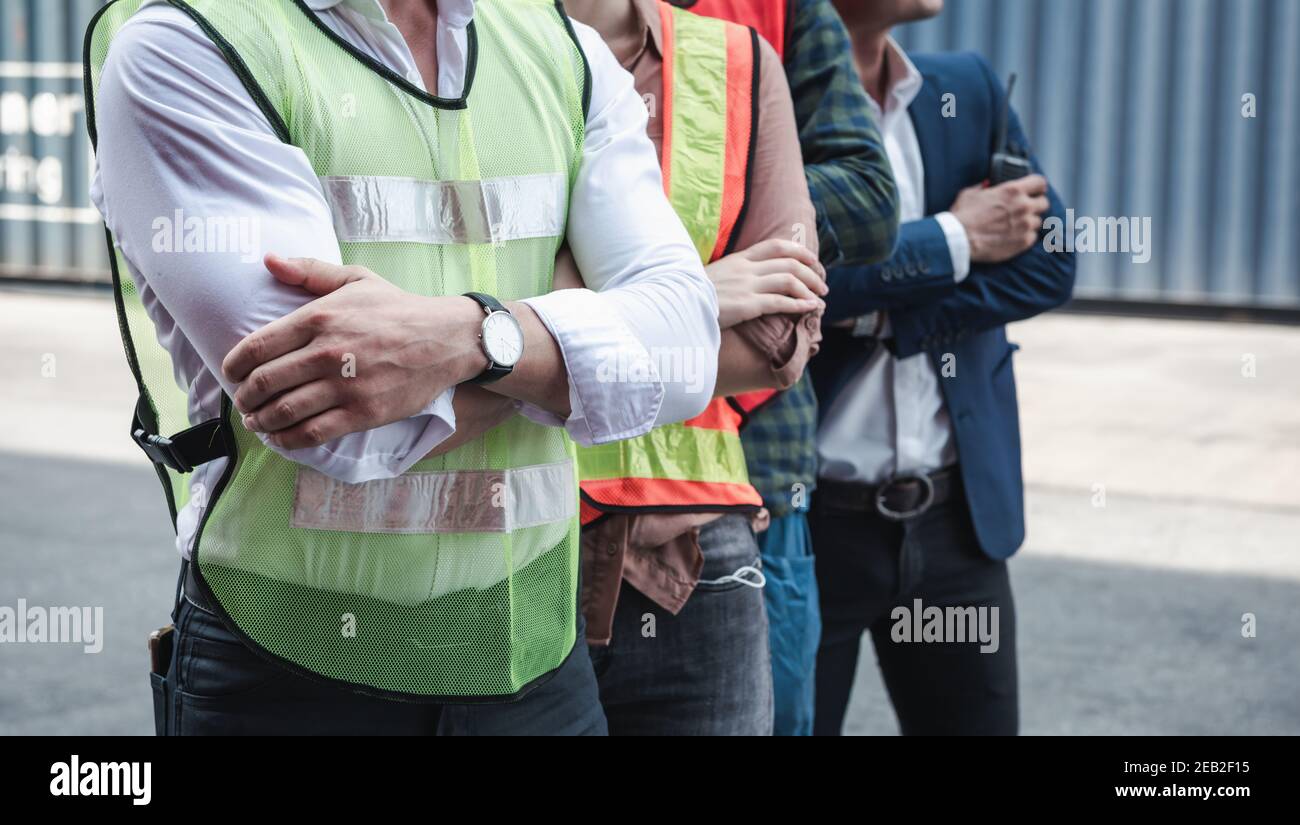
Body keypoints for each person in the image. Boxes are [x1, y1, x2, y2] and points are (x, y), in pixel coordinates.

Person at [87, 0, 723, 735]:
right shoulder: (191, 44)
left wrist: (472, 336)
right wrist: (576, 326)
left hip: (535, 661)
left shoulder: (563, 49)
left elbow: (684, 351)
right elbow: (334, 420)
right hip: (290, 677)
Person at [809, 0, 1077, 735]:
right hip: (810, 525)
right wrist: (957, 237)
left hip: (956, 521)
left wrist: (885, 316)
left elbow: (1049, 267)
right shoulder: (775, 99)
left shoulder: (969, 87)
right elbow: (793, 275)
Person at [560, 0, 823, 736]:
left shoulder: (737, 61)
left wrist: (553, 329)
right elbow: (472, 317)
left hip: (694, 554)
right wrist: (701, 295)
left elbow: (781, 335)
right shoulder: (460, 50)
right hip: (506, 545)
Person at [670, 0, 901, 736]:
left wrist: (693, 219)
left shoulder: (782, 11)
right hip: (559, 476)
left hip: (753, 470)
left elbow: (869, 197)